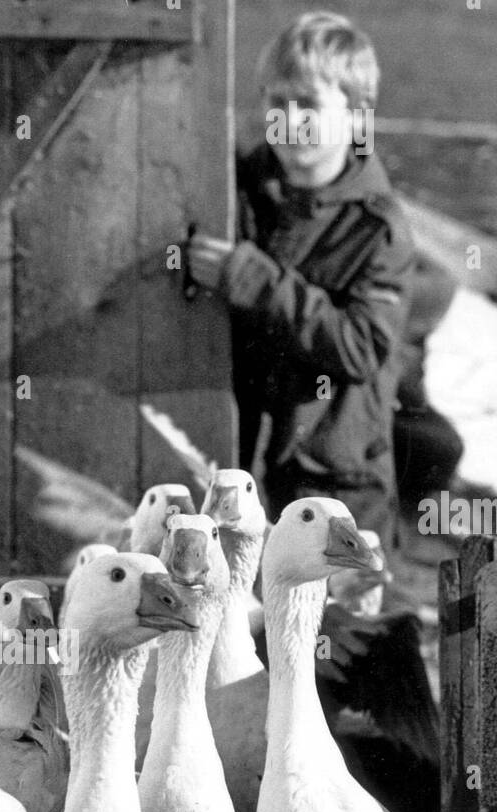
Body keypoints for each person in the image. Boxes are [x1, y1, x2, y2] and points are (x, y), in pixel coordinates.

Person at [189, 10, 416, 550]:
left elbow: (361, 346)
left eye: (309, 105)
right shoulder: (232, 194)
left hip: (336, 483)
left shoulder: (377, 228)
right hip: (240, 471)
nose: (290, 121)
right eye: (277, 102)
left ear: (358, 119)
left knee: (348, 629)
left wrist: (250, 277)